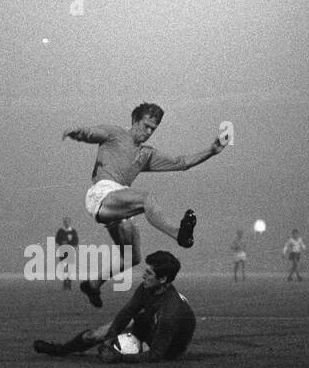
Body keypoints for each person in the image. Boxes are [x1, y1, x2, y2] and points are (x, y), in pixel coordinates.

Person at [62, 102, 228, 308]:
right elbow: (91, 133)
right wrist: (76, 133)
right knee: (146, 198)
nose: (149, 132)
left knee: (132, 257)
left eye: (153, 129)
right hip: (102, 194)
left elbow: (181, 163)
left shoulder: (146, 154)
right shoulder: (115, 134)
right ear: (134, 120)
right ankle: (179, 234)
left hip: (121, 205)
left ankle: (92, 285)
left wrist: (211, 151)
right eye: (146, 125)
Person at [33, 250, 195, 362]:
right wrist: (109, 337)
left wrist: (120, 358)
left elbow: (157, 355)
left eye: (149, 273)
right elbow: (127, 313)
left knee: (135, 350)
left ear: (163, 279)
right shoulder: (147, 288)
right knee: (95, 335)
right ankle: (60, 350)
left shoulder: (170, 311)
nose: (143, 275)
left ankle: (131, 349)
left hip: (170, 347)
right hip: (150, 323)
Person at [55, 217, 79, 290]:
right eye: (65, 222)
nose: (66, 223)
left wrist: (69, 244)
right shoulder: (61, 231)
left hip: (70, 252)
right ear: (63, 222)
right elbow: (57, 239)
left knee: (70, 268)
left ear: (70, 222)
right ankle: (65, 283)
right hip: (63, 252)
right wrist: (62, 242)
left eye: (67, 221)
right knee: (64, 267)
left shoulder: (73, 231)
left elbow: (76, 241)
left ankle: (69, 283)